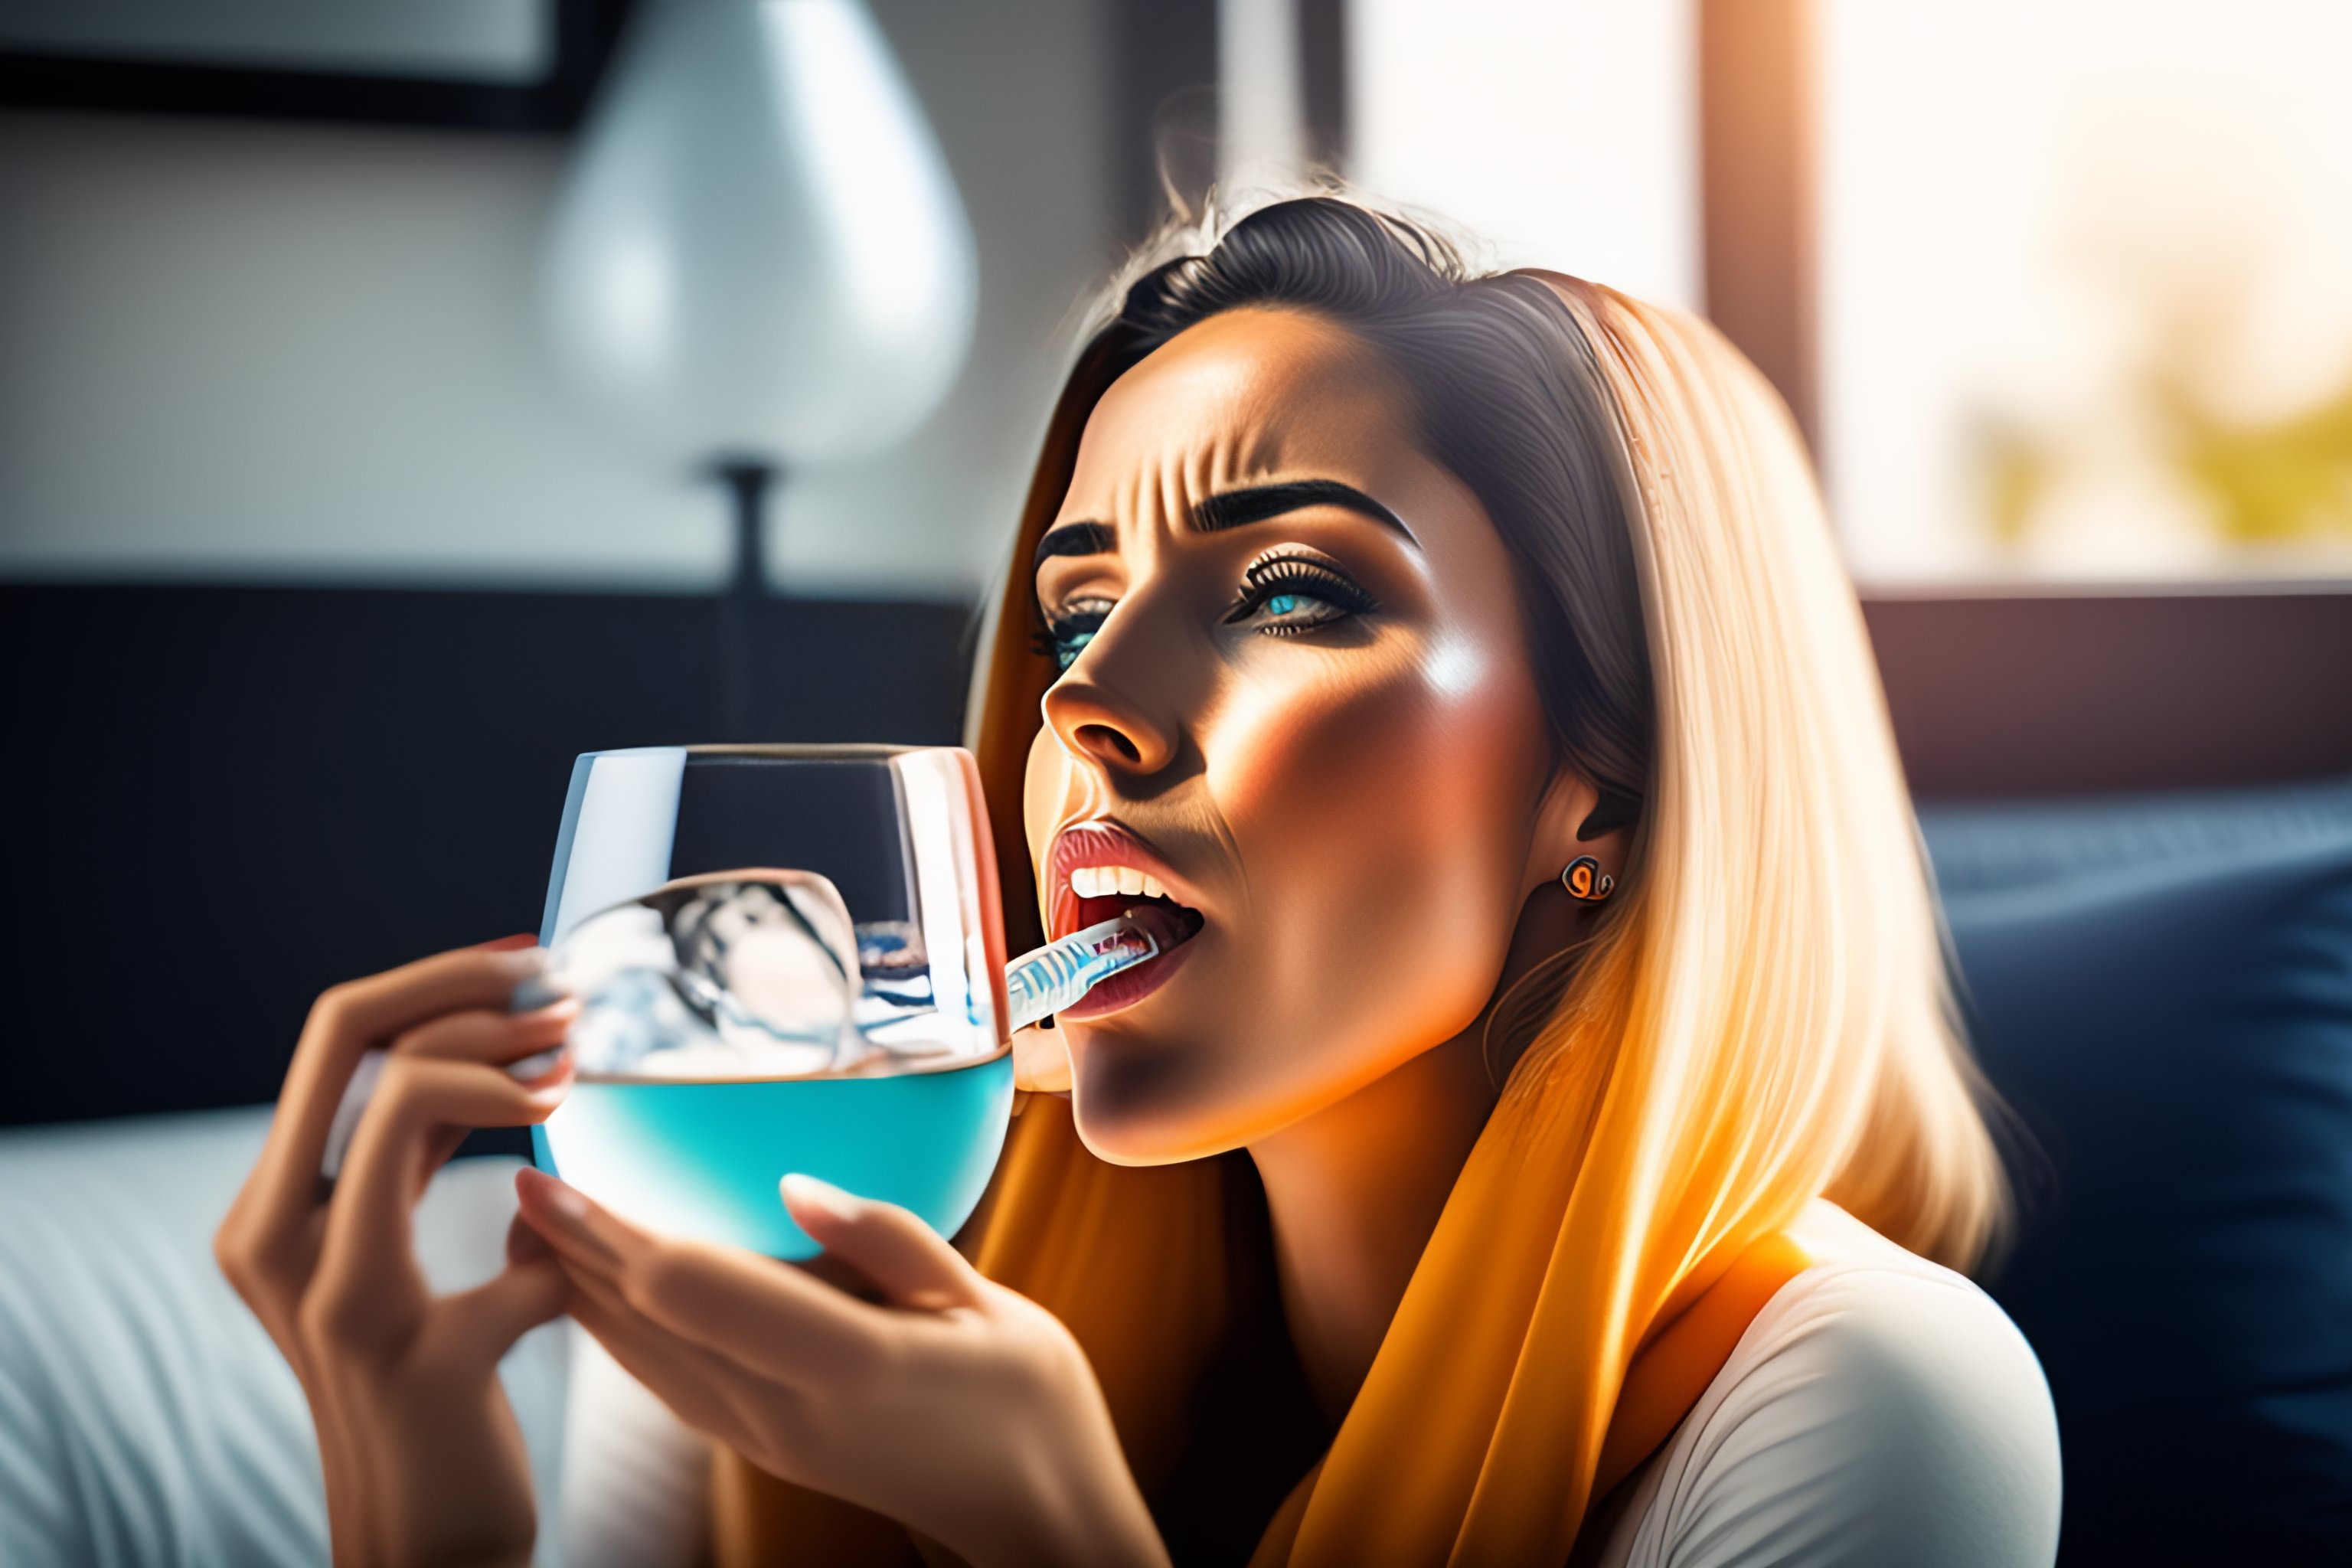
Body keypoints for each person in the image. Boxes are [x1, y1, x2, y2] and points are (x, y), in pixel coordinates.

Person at [217, 192, 2062, 1567]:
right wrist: (414, 1520)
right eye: (1078, 611)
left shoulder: (1871, 1405)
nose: (1088, 697)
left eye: (1290, 593)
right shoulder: (825, 1243)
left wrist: (1052, 1537)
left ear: (1612, 791)